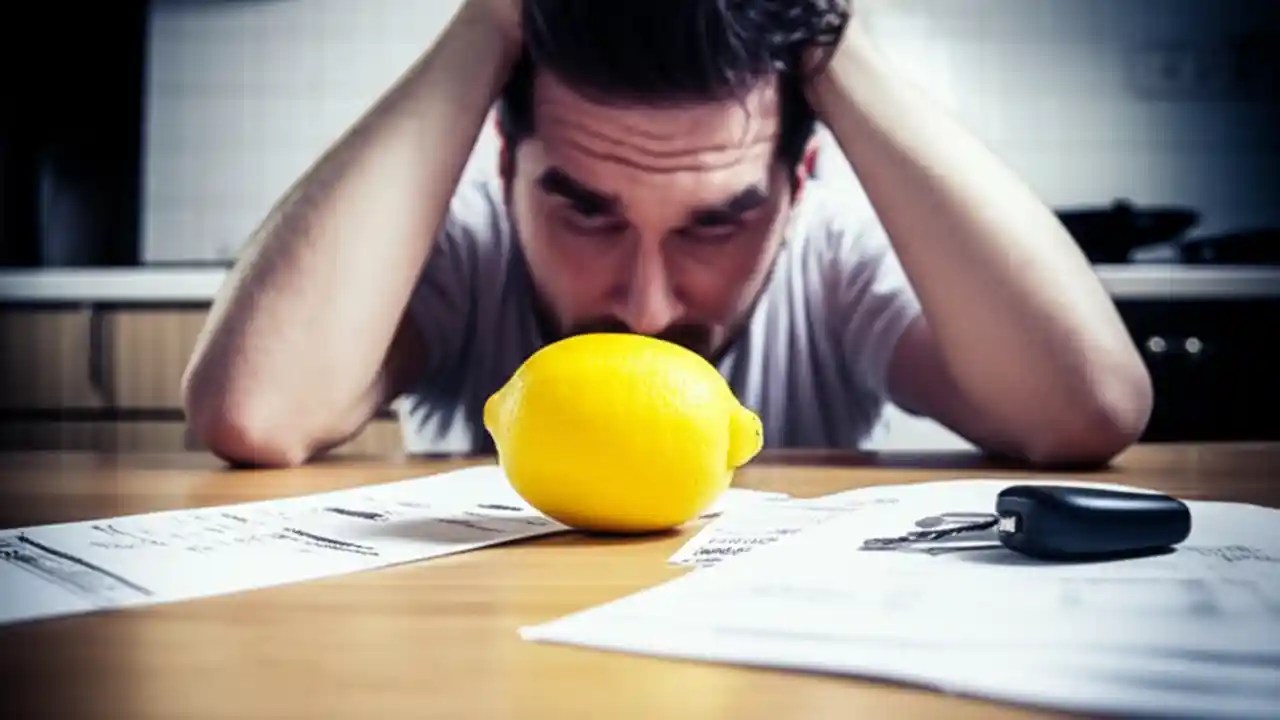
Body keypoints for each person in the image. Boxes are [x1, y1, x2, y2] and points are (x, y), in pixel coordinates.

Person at [181, 0, 1153, 468]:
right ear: (503, 158)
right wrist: (484, 22)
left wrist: (828, 35)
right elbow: (254, 414)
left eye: (717, 223)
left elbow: (1085, 410)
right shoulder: (464, 248)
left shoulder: (831, 255)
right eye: (583, 211)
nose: (644, 308)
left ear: (795, 179)